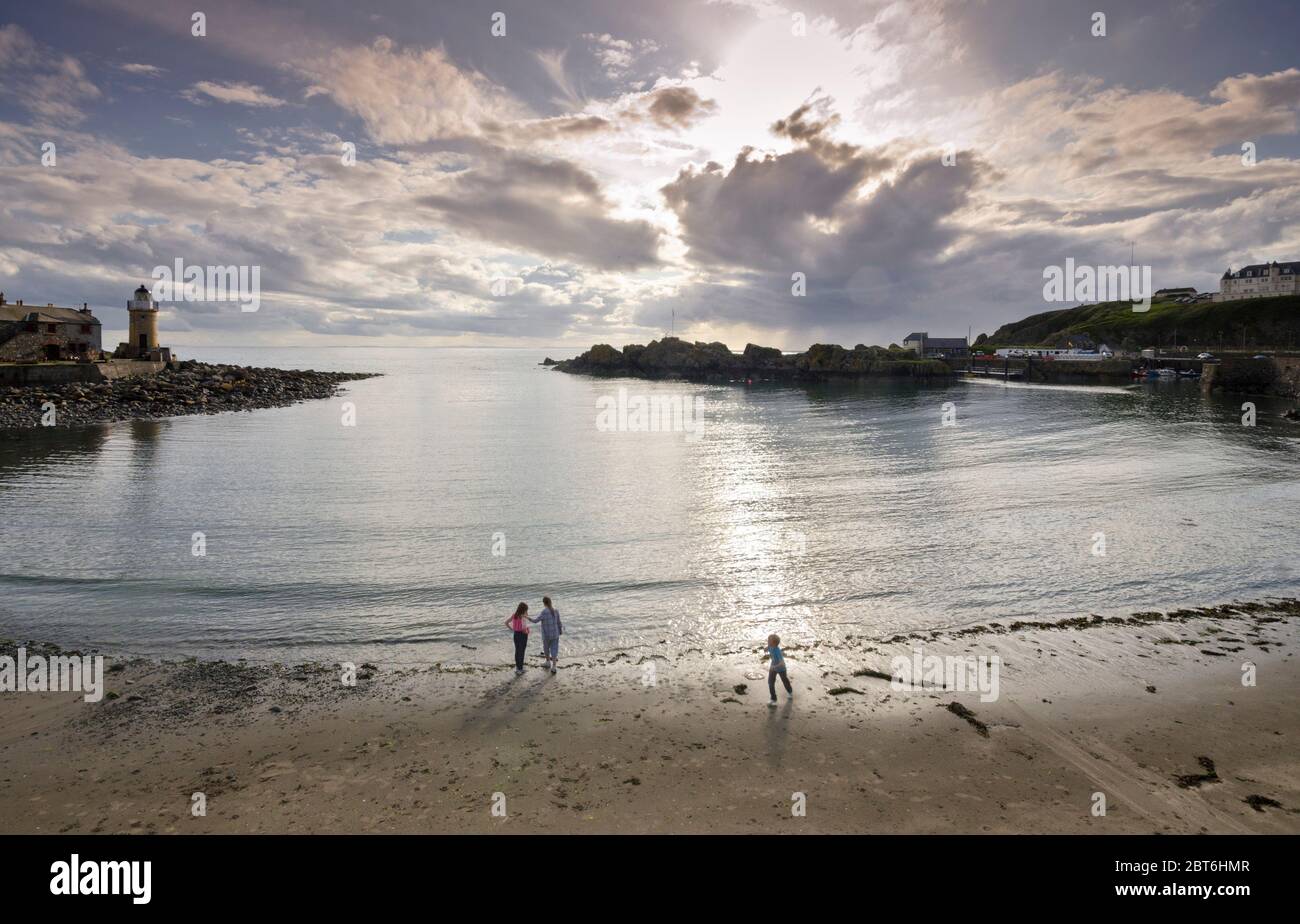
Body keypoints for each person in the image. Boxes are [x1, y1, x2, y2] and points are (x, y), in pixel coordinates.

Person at [536, 596, 563, 674]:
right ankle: (554, 667)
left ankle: (548, 662)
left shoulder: (544, 612)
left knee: (546, 649)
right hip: (555, 634)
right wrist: (560, 631)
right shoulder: (556, 611)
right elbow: (559, 622)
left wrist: (527, 617)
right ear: (550, 602)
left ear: (544, 603)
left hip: (547, 635)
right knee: (554, 649)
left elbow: (535, 621)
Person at [766, 633, 793, 705]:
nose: (767, 641)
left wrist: (774, 667)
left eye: (769, 640)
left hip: (781, 669)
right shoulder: (770, 646)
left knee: (784, 680)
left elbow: (782, 663)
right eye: (768, 640)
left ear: (774, 643)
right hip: (773, 668)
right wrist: (765, 648)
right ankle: (773, 699)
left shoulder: (778, 651)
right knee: (770, 683)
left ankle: (790, 692)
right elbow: (768, 648)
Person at [505, 602, 530, 674]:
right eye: (526, 609)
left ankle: (518, 668)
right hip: (522, 635)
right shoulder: (523, 617)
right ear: (524, 609)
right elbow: (524, 629)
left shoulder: (514, 615)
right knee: (522, 651)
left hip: (516, 634)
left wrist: (512, 629)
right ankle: (520, 668)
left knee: (517, 651)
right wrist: (527, 632)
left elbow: (506, 622)